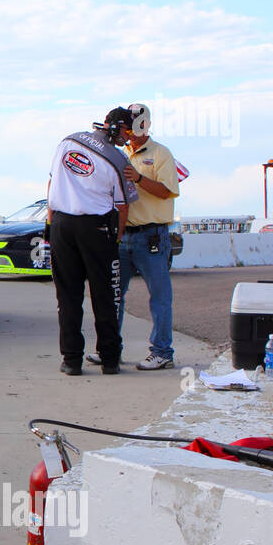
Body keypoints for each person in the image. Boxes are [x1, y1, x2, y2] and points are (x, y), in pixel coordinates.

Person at [87, 102, 180, 370]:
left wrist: (138, 179)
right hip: (124, 235)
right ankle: (109, 348)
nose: (127, 133)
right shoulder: (120, 152)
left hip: (152, 235)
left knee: (159, 296)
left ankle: (162, 352)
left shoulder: (161, 153)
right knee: (114, 294)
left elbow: (167, 191)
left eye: (130, 127)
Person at [47, 108, 138, 375]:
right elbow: (123, 206)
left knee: (67, 296)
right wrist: (116, 240)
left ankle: (71, 360)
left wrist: (51, 227)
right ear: (115, 127)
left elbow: (51, 184)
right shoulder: (117, 160)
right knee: (105, 296)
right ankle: (110, 360)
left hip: (62, 225)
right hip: (96, 228)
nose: (128, 137)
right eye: (127, 131)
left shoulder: (68, 141)